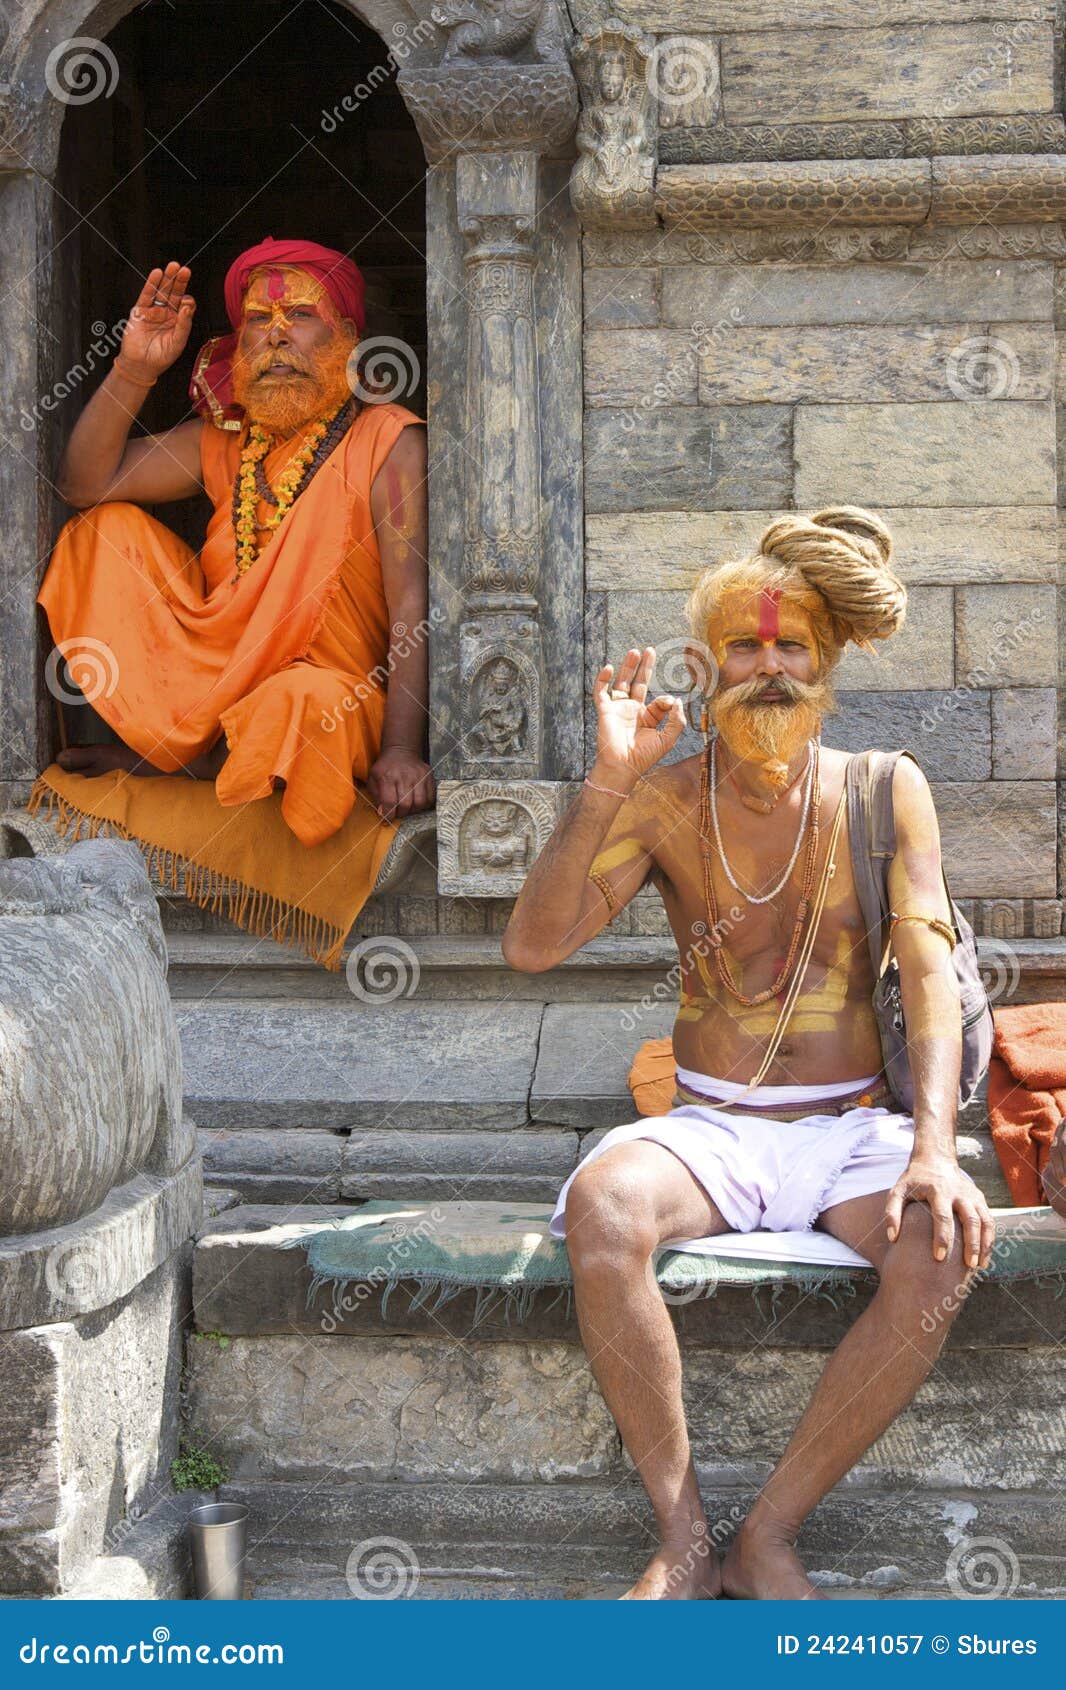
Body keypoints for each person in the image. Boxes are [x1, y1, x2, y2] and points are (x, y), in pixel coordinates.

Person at [502, 506, 995, 1601]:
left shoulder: (884, 787)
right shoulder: (665, 798)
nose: (768, 667)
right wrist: (608, 777)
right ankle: (681, 1540)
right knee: (604, 1212)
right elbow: (532, 946)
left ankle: (768, 1534)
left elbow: (927, 967)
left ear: (826, 663)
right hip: (711, 1131)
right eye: (743, 645)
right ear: (708, 662)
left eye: (791, 646)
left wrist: (934, 1147)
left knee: (941, 1248)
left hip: (851, 1130)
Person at [38, 239, 434, 846]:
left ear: (348, 337)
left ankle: (198, 764)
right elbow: (82, 485)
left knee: (301, 702)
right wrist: (135, 369)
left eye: (300, 314)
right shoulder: (227, 439)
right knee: (101, 534)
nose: (276, 334)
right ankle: (192, 751)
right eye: (257, 319)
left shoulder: (388, 440)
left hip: (331, 699)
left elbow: (411, 601)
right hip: (215, 688)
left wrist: (402, 750)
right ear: (238, 345)